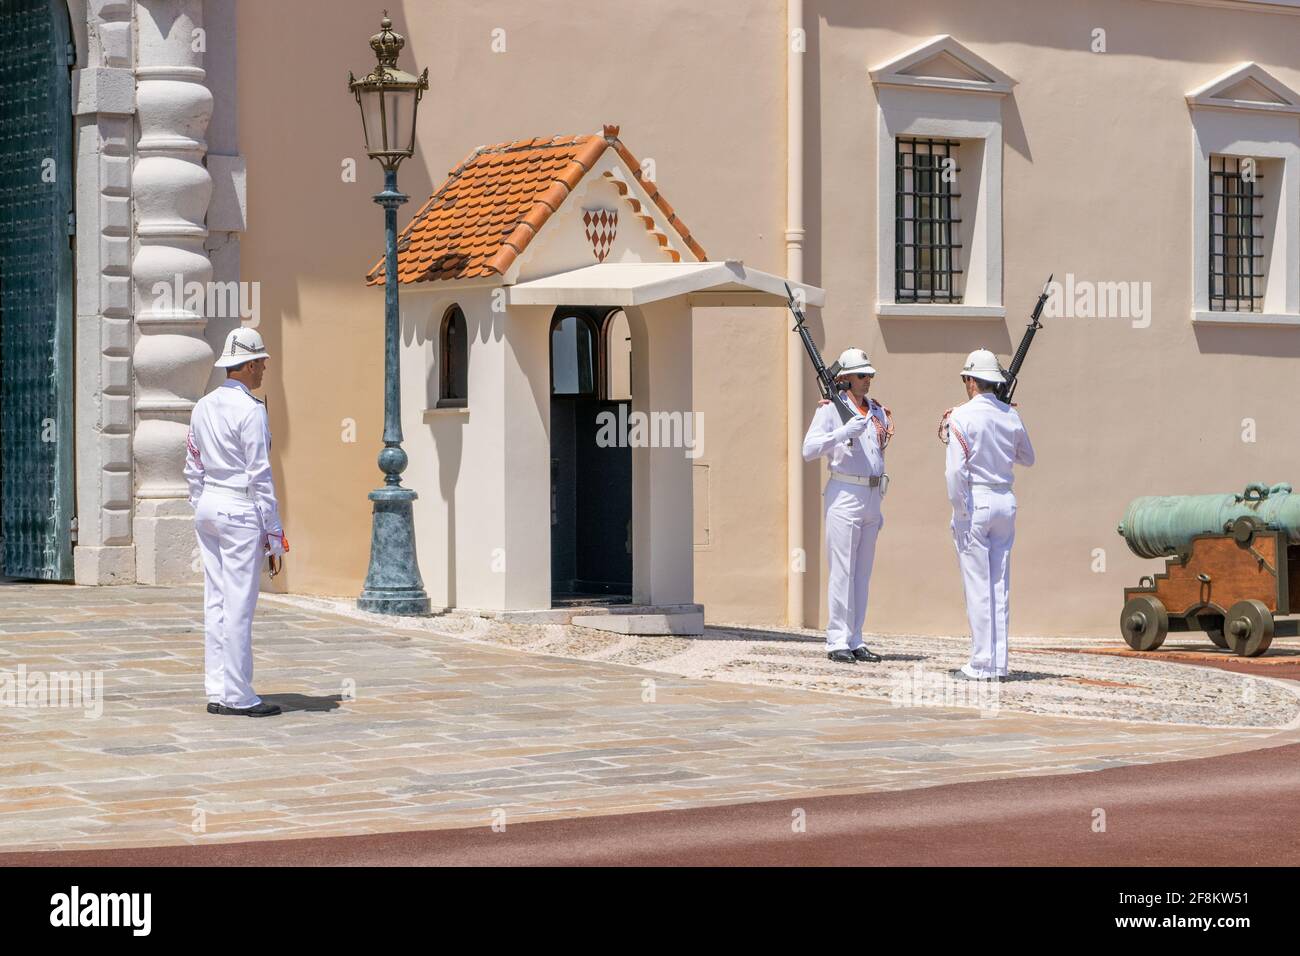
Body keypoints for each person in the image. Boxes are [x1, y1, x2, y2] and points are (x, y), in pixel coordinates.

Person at [184, 327, 288, 717]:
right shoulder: (251, 410)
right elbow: (260, 474)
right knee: (239, 604)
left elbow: (192, 463)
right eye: (260, 362)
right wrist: (275, 532)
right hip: (240, 510)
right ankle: (240, 695)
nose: (263, 368)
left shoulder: (203, 406)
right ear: (245, 365)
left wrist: (202, 501)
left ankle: (218, 687)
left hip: (209, 505)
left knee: (215, 600)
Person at [943, 349, 1035, 682]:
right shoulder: (1010, 415)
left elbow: (955, 472)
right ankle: (998, 662)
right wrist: (1009, 423)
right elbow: (1027, 457)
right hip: (1004, 500)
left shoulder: (960, 416)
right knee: (999, 584)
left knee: (977, 585)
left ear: (970, 381)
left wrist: (960, 509)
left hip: (975, 500)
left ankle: (981, 661)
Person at [802, 348, 894, 664]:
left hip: (871, 496)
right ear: (844, 379)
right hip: (844, 492)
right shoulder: (830, 410)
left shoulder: (877, 411)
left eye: (869, 375)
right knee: (842, 570)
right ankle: (836, 639)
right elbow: (809, 449)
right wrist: (843, 431)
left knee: (862, 573)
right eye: (860, 375)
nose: (867, 380)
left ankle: (856, 638)